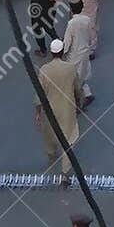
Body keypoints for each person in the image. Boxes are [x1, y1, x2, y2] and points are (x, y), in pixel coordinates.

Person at [36, 41, 81, 182]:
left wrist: (38, 111)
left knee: (49, 134)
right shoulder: (70, 68)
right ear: (62, 52)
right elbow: (77, 88)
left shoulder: (44, 70)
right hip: (67, 108)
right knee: (68, 139)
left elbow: (39, 94)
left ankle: (51, 153)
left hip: (49, 109)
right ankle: (65, 172)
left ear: (51, 52)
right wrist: (78, 103)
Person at [61, 0, 94, 105]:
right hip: (85, 52)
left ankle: (77, 103)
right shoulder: (87, 20)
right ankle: (88, 94)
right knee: (82, 76)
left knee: (73, 80)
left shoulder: (71, 24)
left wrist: (61, 54)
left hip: (74, 55)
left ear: (71, 9)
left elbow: (67, 42)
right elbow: (90, 36)